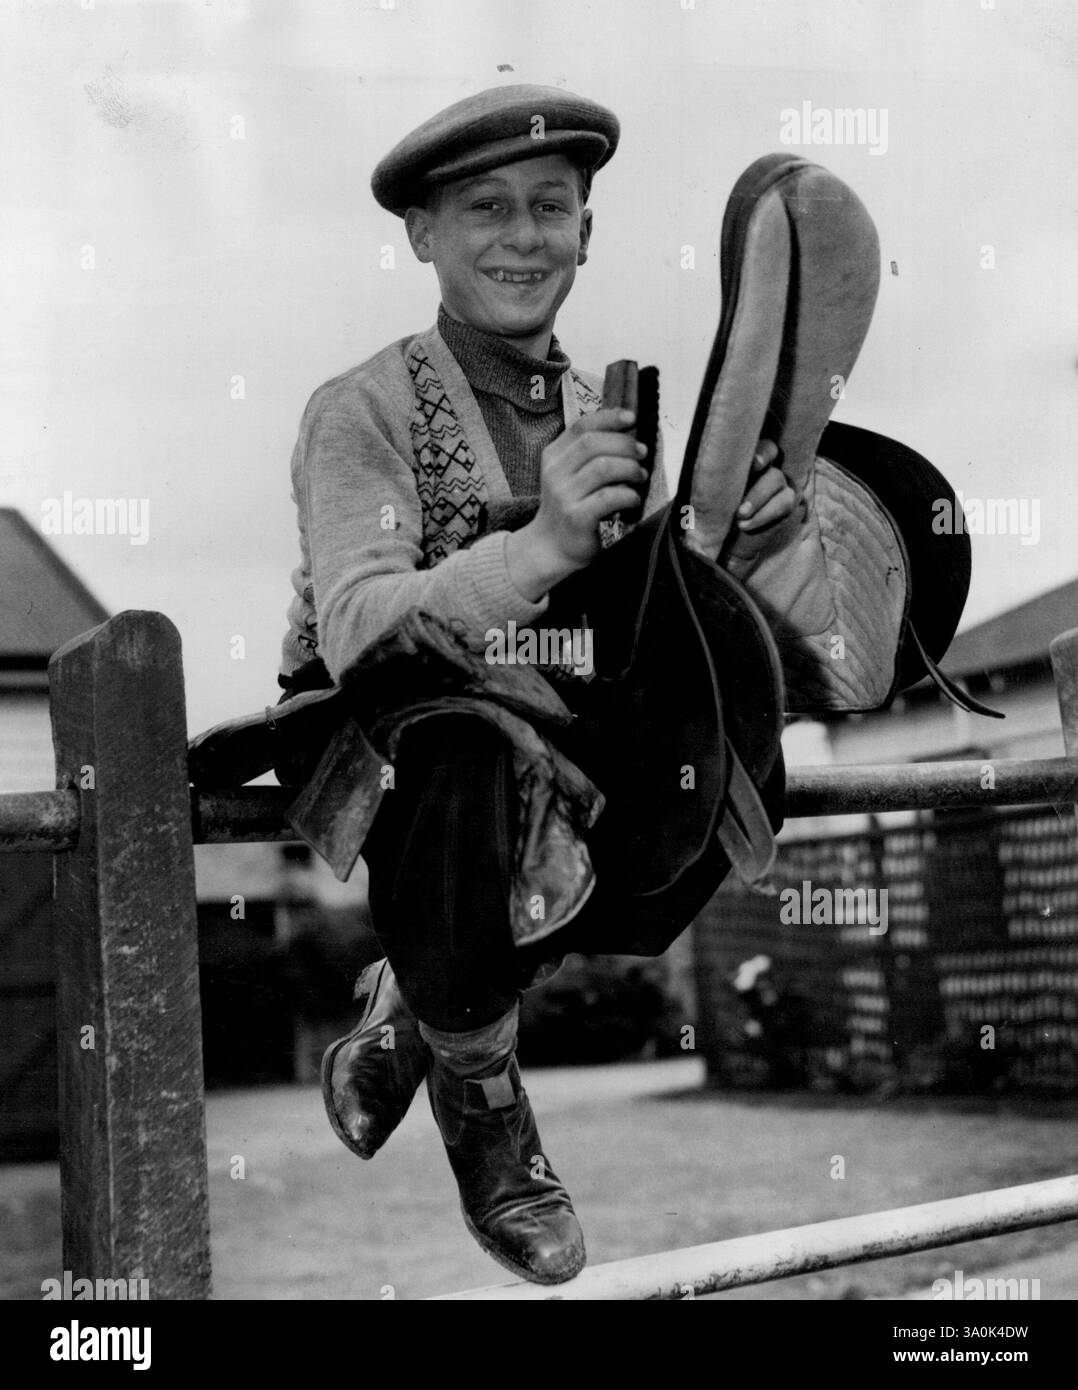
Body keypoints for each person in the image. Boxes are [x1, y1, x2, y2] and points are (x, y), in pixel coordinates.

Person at [279, 84, 797, 1286]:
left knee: (718, 742)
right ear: (422, 234)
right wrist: (546, 545)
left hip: (550, 715)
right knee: (467, 756)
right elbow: (359, 625)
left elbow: (627, 628)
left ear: (587, 230)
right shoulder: (357, 407)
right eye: (485, 210)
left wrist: (727, 541)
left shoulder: (602, 409)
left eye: (550, 208)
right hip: (381, 721)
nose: (523, 236)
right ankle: (481, 1095)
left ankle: (427, 989)